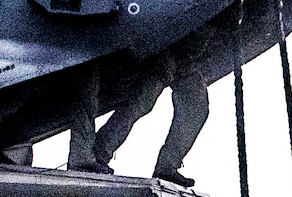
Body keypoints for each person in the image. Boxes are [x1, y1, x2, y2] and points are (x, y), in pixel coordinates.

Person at [79, 28, 223, 186]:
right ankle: (99, 153)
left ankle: (167, 167)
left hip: (188, 60)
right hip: (167, 51)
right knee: (139, 105)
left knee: (196, 108)